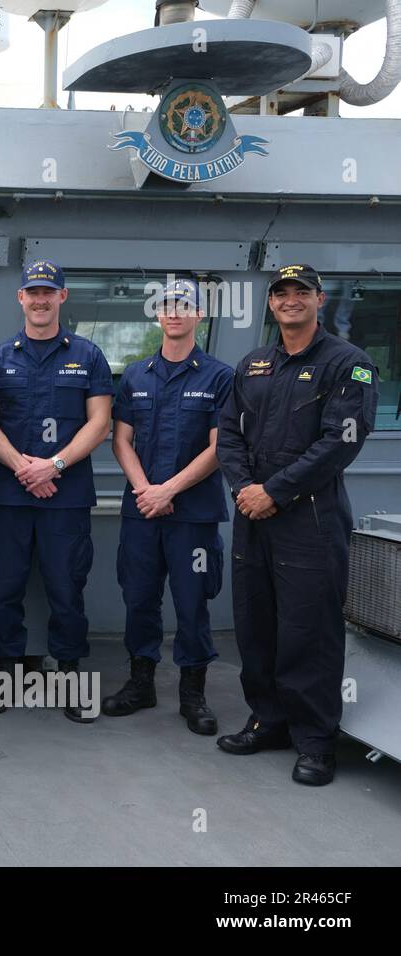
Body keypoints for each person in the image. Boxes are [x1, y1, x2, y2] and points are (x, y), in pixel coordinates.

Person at [216, 264, 378, 786]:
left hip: (309, 520)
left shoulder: (347, 364)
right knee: (256, 623)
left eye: (300, 293)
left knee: (309, 632)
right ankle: (268, 720)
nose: (290, 300)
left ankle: (315, 740)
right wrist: (245, 490)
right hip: (253, 517)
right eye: (281, 293)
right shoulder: (254, 364)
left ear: (319, 299)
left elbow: (342, 440)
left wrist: (274, 491)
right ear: (270, 304)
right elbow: (227, 431)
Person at [0, 259, 113, 722]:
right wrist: (21, 466)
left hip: (66, 495)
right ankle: (6, 678)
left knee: (66, 588)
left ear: (62, 297)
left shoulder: (88, 355)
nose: (39, 299)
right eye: (32, 292)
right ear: (20, 298)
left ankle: (70, 679)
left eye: (48, 292)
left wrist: (53, 465)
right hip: (11, 494)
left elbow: (100, 422)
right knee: (4, 588)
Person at [104, 278, 233, 734]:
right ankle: (141, 684)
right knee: (138, 597)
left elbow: (220, 448)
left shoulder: (220, 376)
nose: (174, 312)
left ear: (201, 315)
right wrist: (145, 490)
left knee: (192, 603)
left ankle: (192, 695)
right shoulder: (136, 374)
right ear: (157, 315)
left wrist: (168, 491)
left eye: (185, 305)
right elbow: (121, 439)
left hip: (192, 516)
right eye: (166, 306)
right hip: (142, 510)